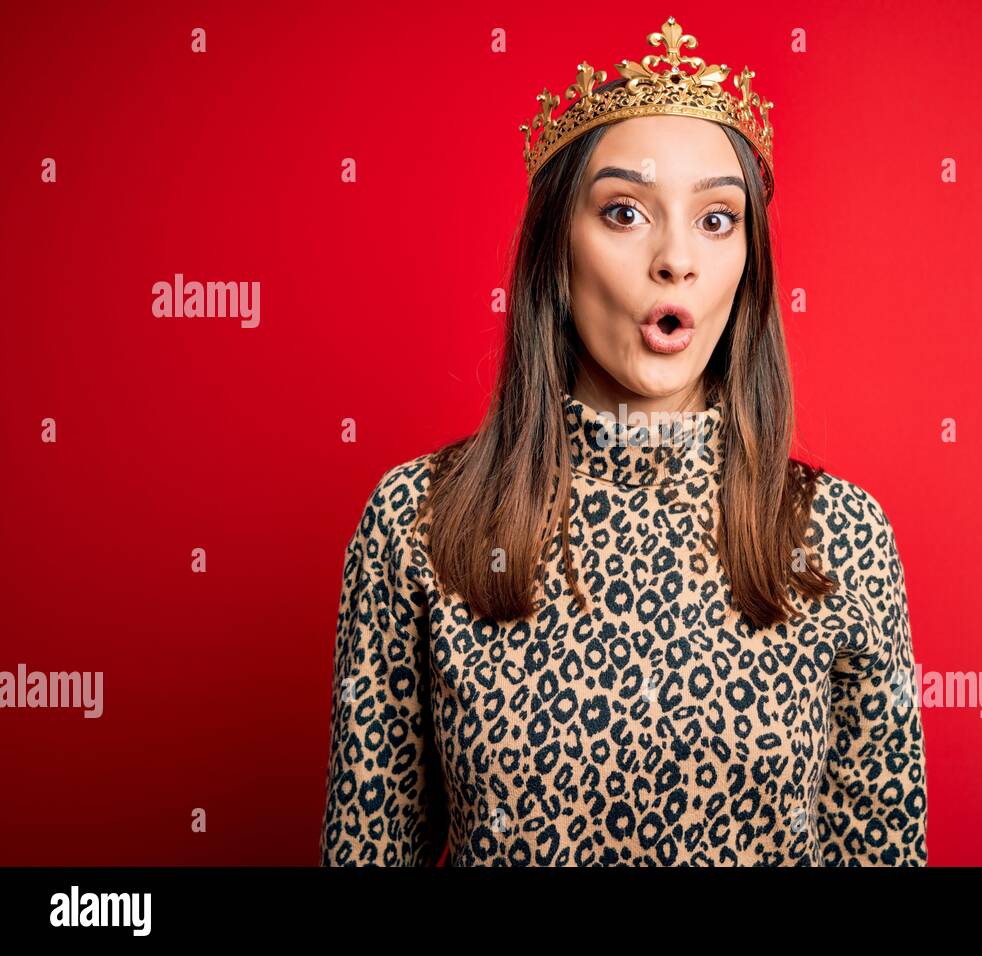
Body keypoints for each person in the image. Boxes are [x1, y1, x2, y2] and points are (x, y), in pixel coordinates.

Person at [319, 16, 927, 867]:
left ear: (748, 266)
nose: (676, 258)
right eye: (625, 211)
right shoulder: (417, 523)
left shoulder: (843, 536)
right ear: (555, 252)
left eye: (717, 219)